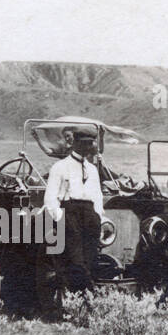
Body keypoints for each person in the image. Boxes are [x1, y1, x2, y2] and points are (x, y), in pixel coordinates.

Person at [43, 123, 104, 293]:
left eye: (90, 143)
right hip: (69, 213)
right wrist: (60, 218)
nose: (88, 146)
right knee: (75, 260)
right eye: (84, 143)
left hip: (90, 215)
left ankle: (84, 296)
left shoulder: (92, 170)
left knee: (90, 258)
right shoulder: (60, 167)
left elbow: (97, 195)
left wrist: (97, 215)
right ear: (75, 143)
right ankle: (83, 295)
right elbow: (50, 197)